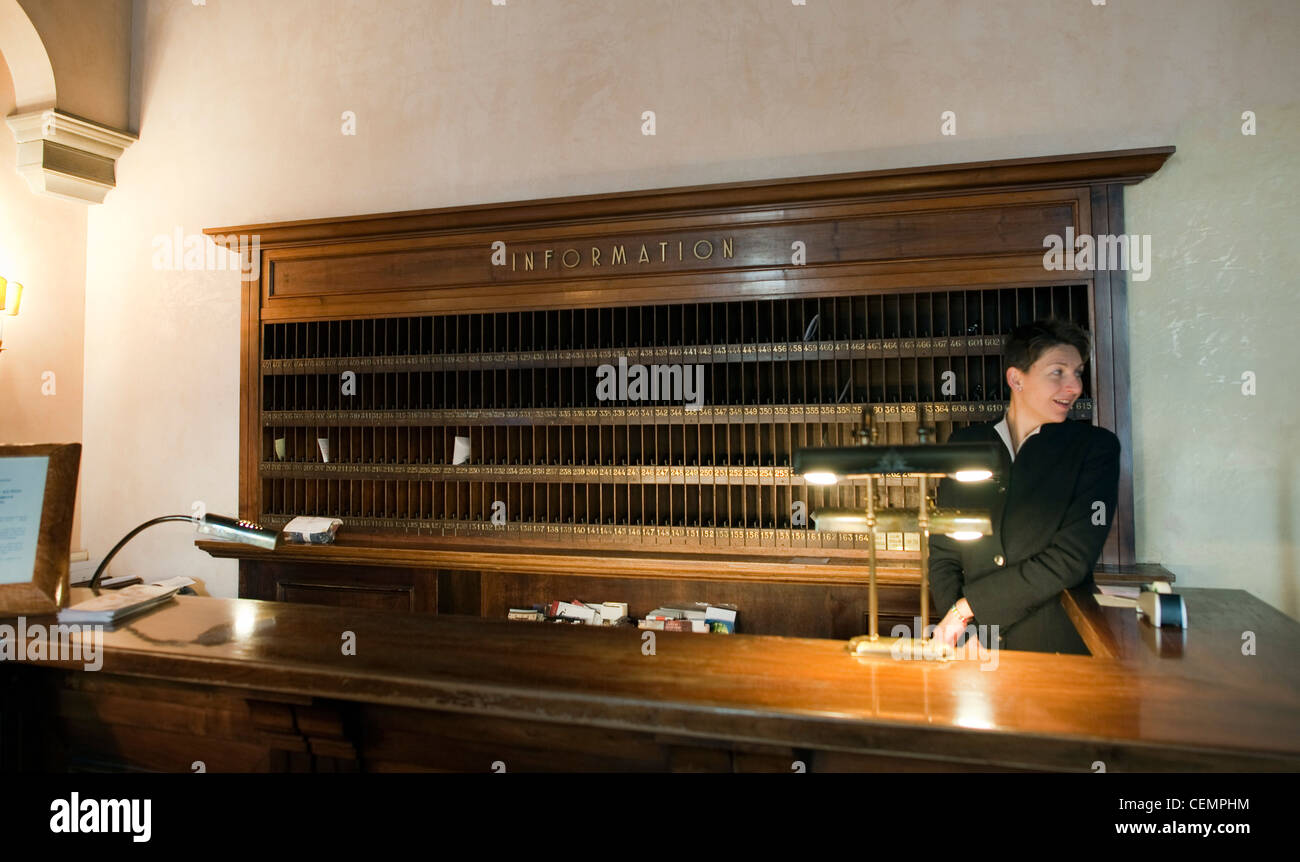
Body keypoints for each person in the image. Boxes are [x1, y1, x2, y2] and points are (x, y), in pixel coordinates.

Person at [928, 319, 1120, 655]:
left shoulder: (1095, 448)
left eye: (1078, 372)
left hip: (1053, 644)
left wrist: (966, 608)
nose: (1074, 386)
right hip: (971, 646)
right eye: (1058, 372)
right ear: (1016, 378)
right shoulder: (965, 444)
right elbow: (943, 551)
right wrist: (962, 629)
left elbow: (1070, 559)